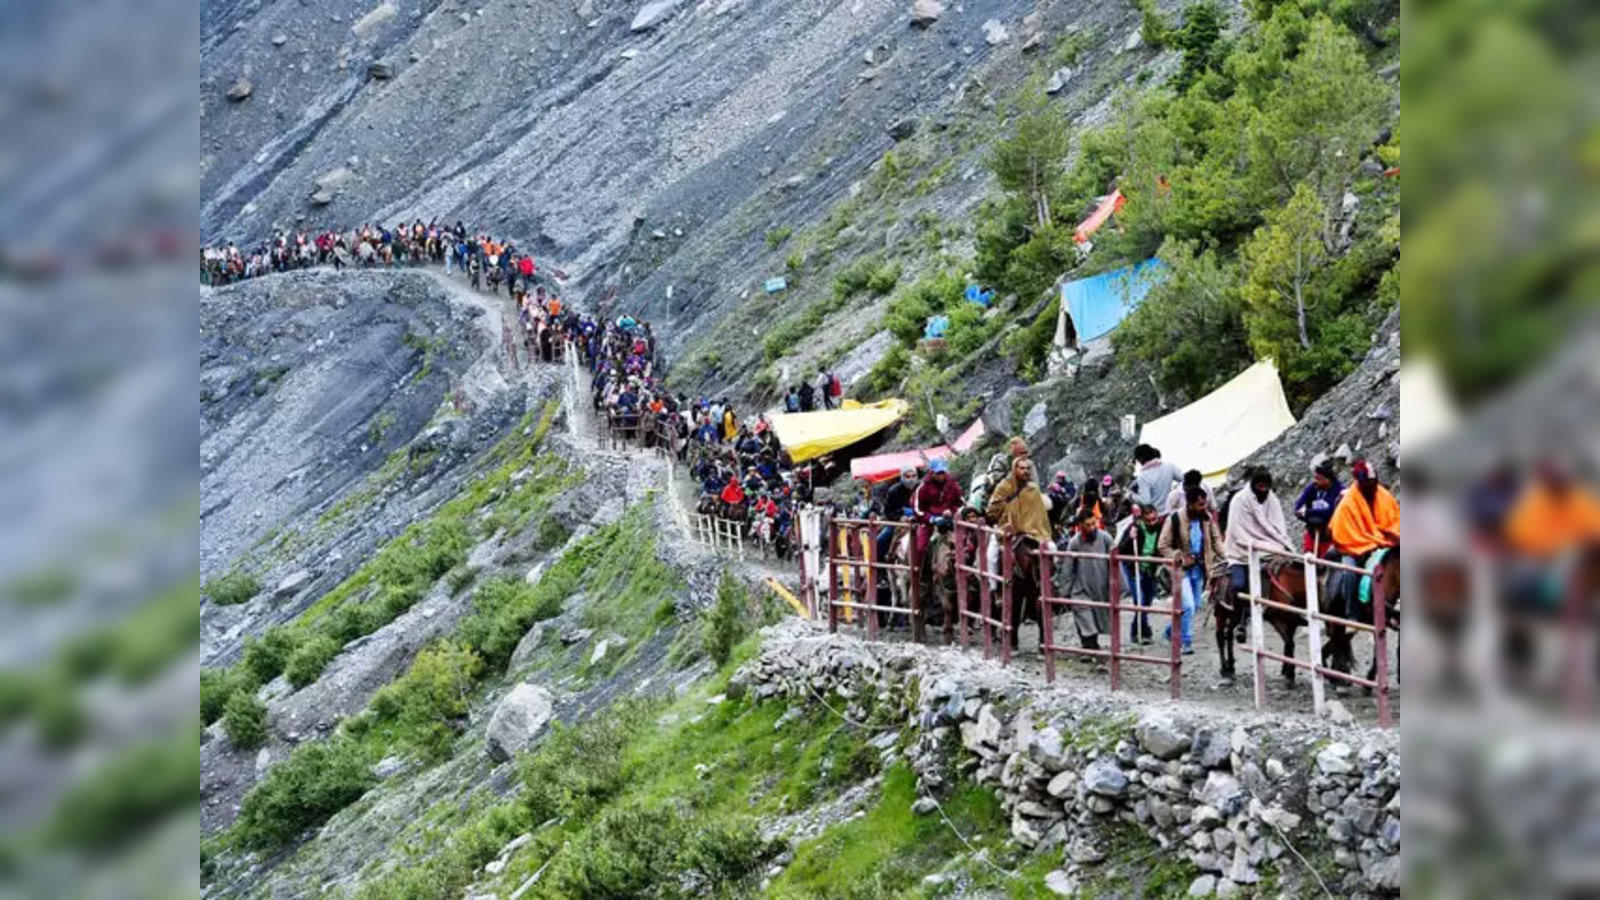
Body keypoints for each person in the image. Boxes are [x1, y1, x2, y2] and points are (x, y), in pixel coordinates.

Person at [1158, 486, 1224, 654]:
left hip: (1200, 568)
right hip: (1181, 569)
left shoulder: (1206, 518)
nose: (1204, 507)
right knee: (1187, 606)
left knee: (1193, 606)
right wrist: (1178, 556)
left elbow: (1215, 539)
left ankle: (1169, 631)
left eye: (1205, 504)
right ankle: (1184, 642)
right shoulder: (1175, 518)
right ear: (1190, 504)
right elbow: (1163, 545)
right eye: (1200, 505)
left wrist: (1226, 557)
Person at [1223, 469, 1296, 607]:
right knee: (1239, 584)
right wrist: (1256, 545)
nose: (1263, 490)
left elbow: (1278, 527)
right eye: (1259, 487)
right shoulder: (1239, 500)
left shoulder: (1272, 500)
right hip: (1241, 552)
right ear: (1253, 485)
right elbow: (1238, 531)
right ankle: (1240, 620)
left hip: (1268, 547)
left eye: (1265, 487)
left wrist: (1278, 544)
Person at [1057, 511, 1114, 650]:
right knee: (1084, 615)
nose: (1091, 527)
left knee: (1098, 617)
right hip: (1081, 587)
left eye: (1093, 523)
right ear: (1081, 525)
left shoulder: (1105, 538)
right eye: (1087, 525)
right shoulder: (1075, 542)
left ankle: (1091, 645)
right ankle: (1089, 646)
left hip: (1101, 585)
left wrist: (1117, 587)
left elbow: (1115, 562)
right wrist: (1064, 591)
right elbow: (1068, 568)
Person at [1116, 503, 1163, 644]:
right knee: (1140, 602)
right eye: (1148, 520)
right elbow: (1121, 549)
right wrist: (1130, 538)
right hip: (1134, 569)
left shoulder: (1161, 530)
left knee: (1147, 602)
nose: (1151, 523)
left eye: (1154, 519)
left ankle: (1139, 628)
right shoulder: (1134, 528)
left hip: (1150, 569)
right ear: (1142, 519)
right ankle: (1141, 631)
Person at [914, 457, 964, 559]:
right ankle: (918, 572)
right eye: (938, 473)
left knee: (966, 541)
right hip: (929, 521)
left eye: (943, 472)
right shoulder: (923, 488)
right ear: (931, 473)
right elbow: (918, 509)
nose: (941, 476)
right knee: (920, 547)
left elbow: (961, 503)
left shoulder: (953, 485)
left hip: (950, 519)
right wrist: (931, 518)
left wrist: (952, 511)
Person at [1293, 462, 1344, 556]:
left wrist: (1308, 512)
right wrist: (1309, 517)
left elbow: (1331, 511)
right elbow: (1298, 508)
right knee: (1308, 559)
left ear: (1328, 480)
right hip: (1312, 532)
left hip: (1330, 535)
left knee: (1327, 561)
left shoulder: (1339, 491)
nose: (1315, 481)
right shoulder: (1313, 487)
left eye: (1319, 479)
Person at [1131, 444, 1182, 510]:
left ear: (1141, 459)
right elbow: (1184, 479)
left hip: (1157, 515)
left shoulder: (1142, 477)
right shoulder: (1169, 466)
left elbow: (1146, 501)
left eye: (1138, 459)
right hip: (1173, 509)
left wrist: (1132, 496)